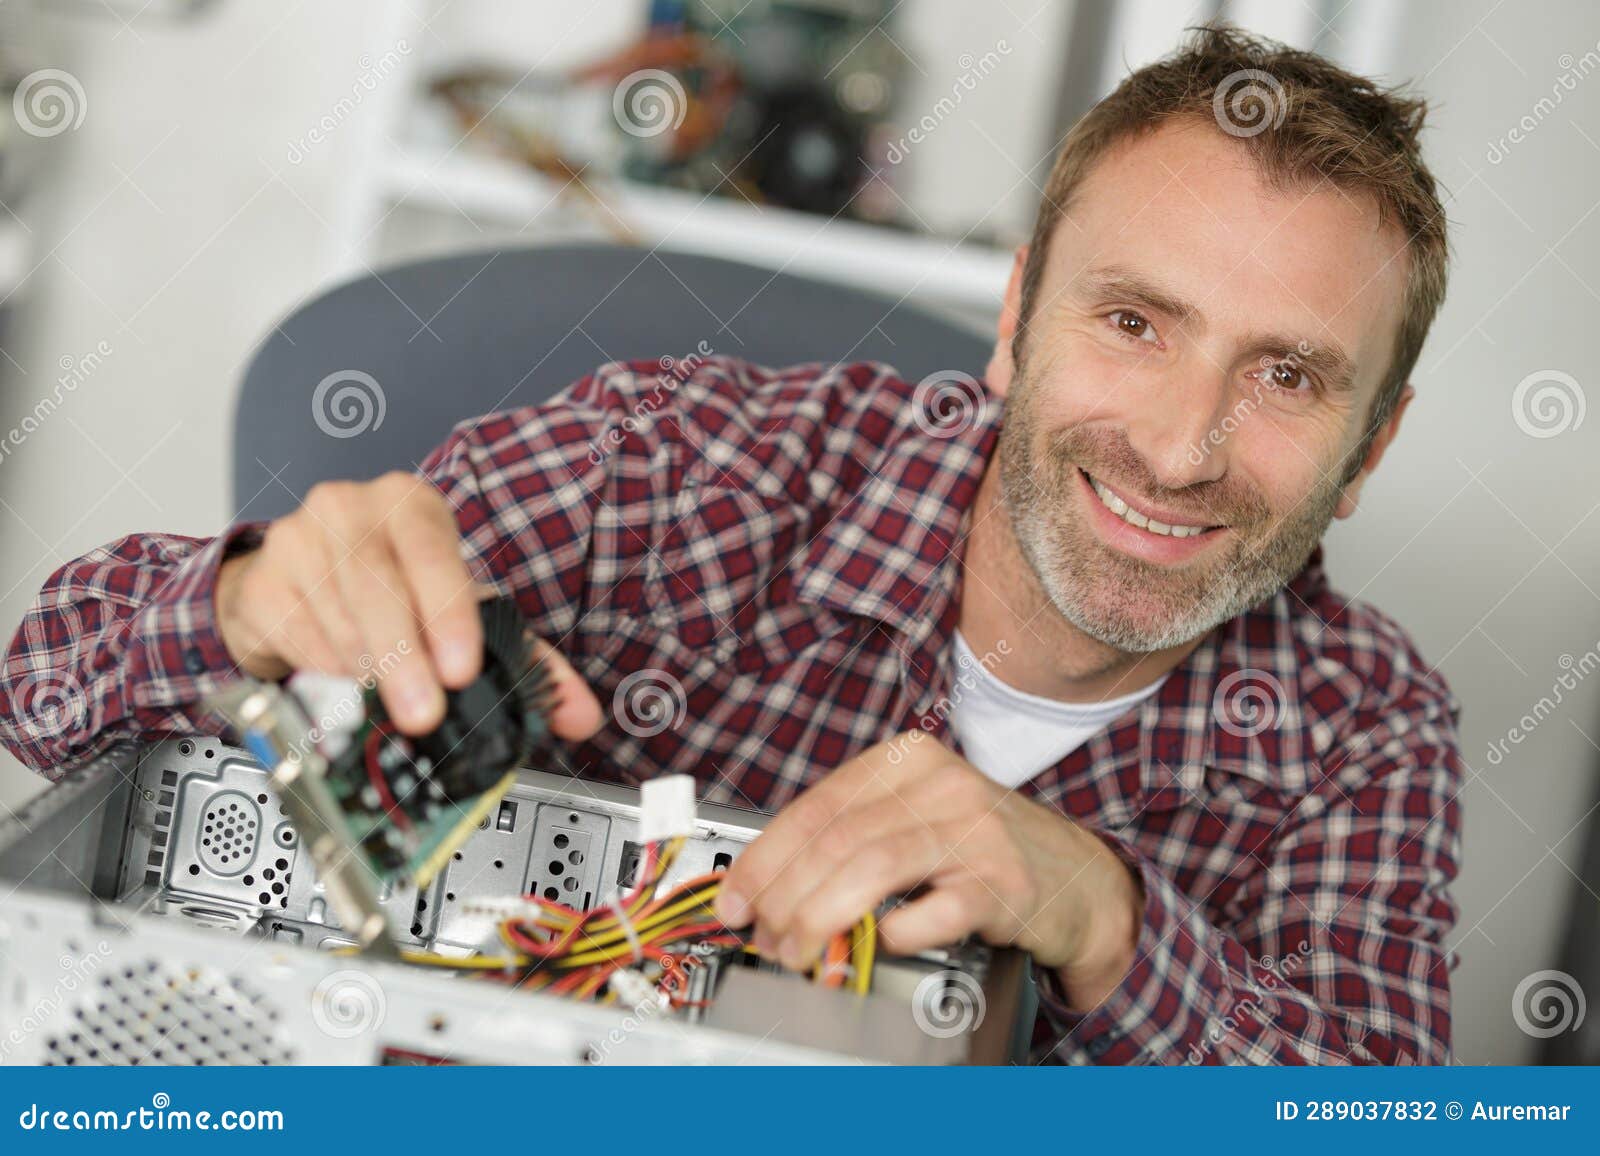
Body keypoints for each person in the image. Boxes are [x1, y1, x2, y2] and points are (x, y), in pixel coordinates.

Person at [0, 25, 1459, 1065]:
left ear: (1368, 449)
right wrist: (257, 603)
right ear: (1017, 325)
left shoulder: (1365, 725)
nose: (1182, 444)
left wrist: (1099, 914)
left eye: (1288, 377)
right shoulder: (672, 468)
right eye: (1133, 323)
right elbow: (42, 684)